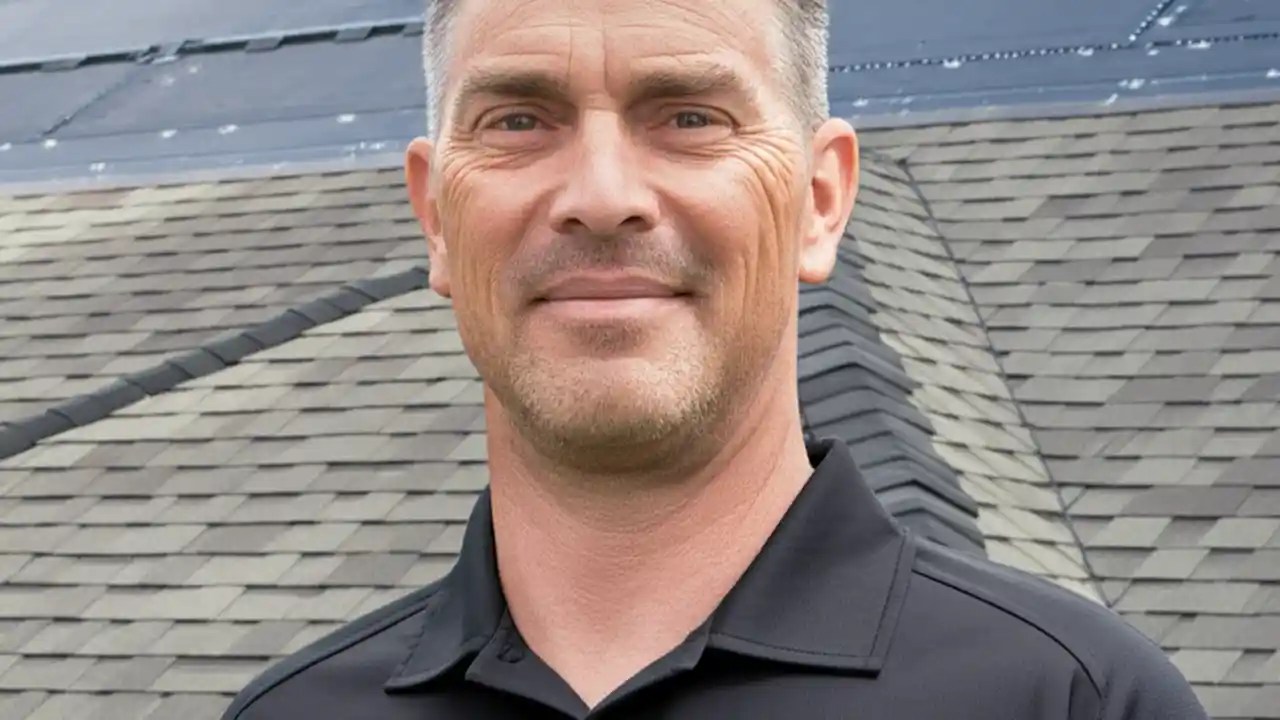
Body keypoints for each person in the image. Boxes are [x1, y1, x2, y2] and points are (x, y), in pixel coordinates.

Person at [223, 0, 1209, 717]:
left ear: (819, 202)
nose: (602, 195)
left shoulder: (1069, 702)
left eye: (689, 117)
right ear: (436, 217)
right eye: (518, 120)